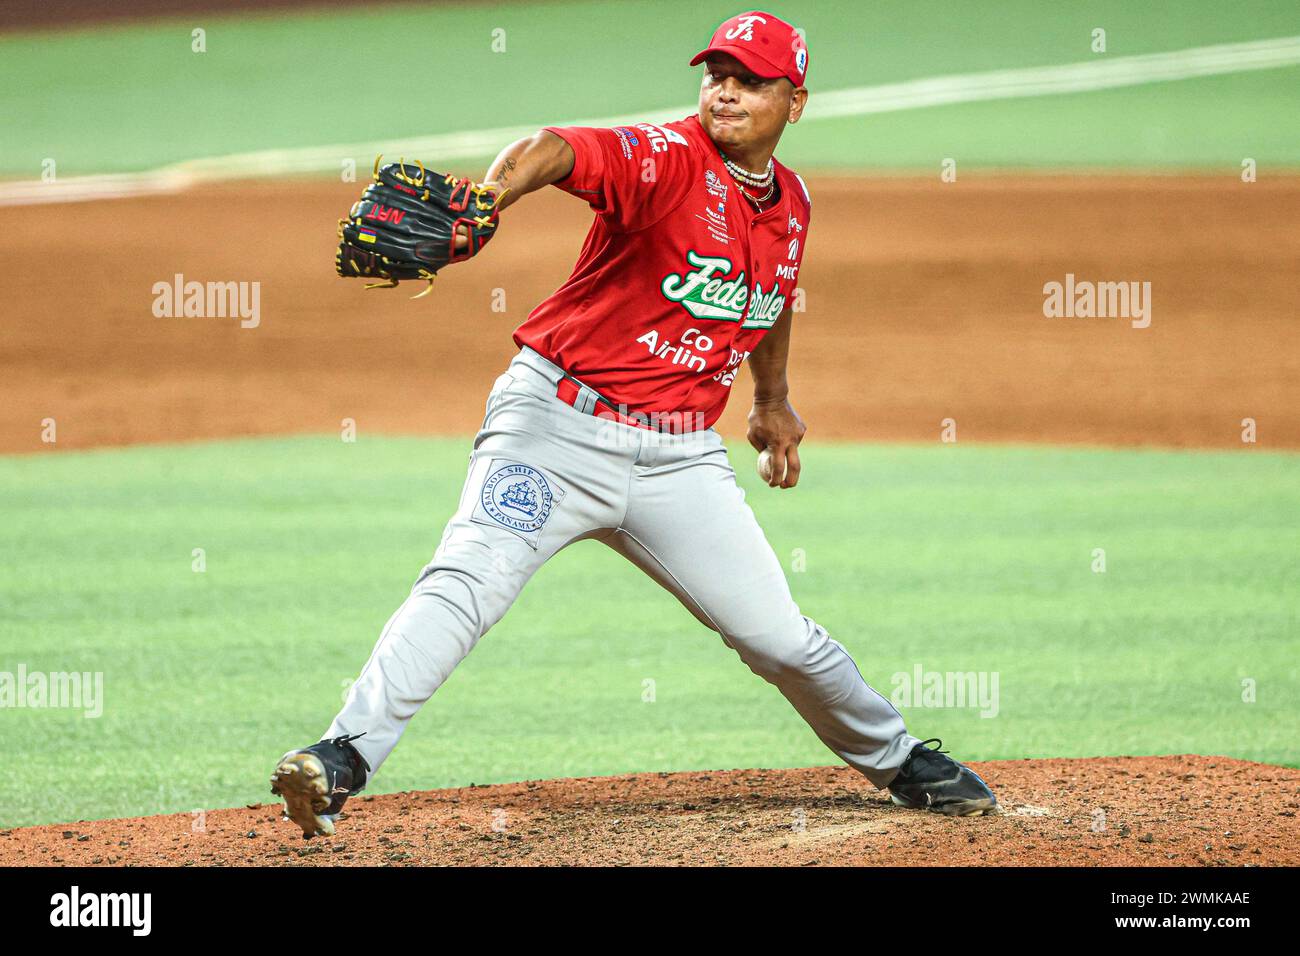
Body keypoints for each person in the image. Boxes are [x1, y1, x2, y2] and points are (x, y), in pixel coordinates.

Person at [270, 9, 996, 839]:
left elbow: (769, 298)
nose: (726, 90)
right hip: (554, 430)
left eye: (750, 79)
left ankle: (901, 760)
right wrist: (488, 197)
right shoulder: (665, 158)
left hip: (682, 459)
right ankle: (339, 758)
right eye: (716, 74)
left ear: (795, 101)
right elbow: (558, 146)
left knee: (779, 639)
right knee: (467, 582)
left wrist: (770, 398)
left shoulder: (790, 202)